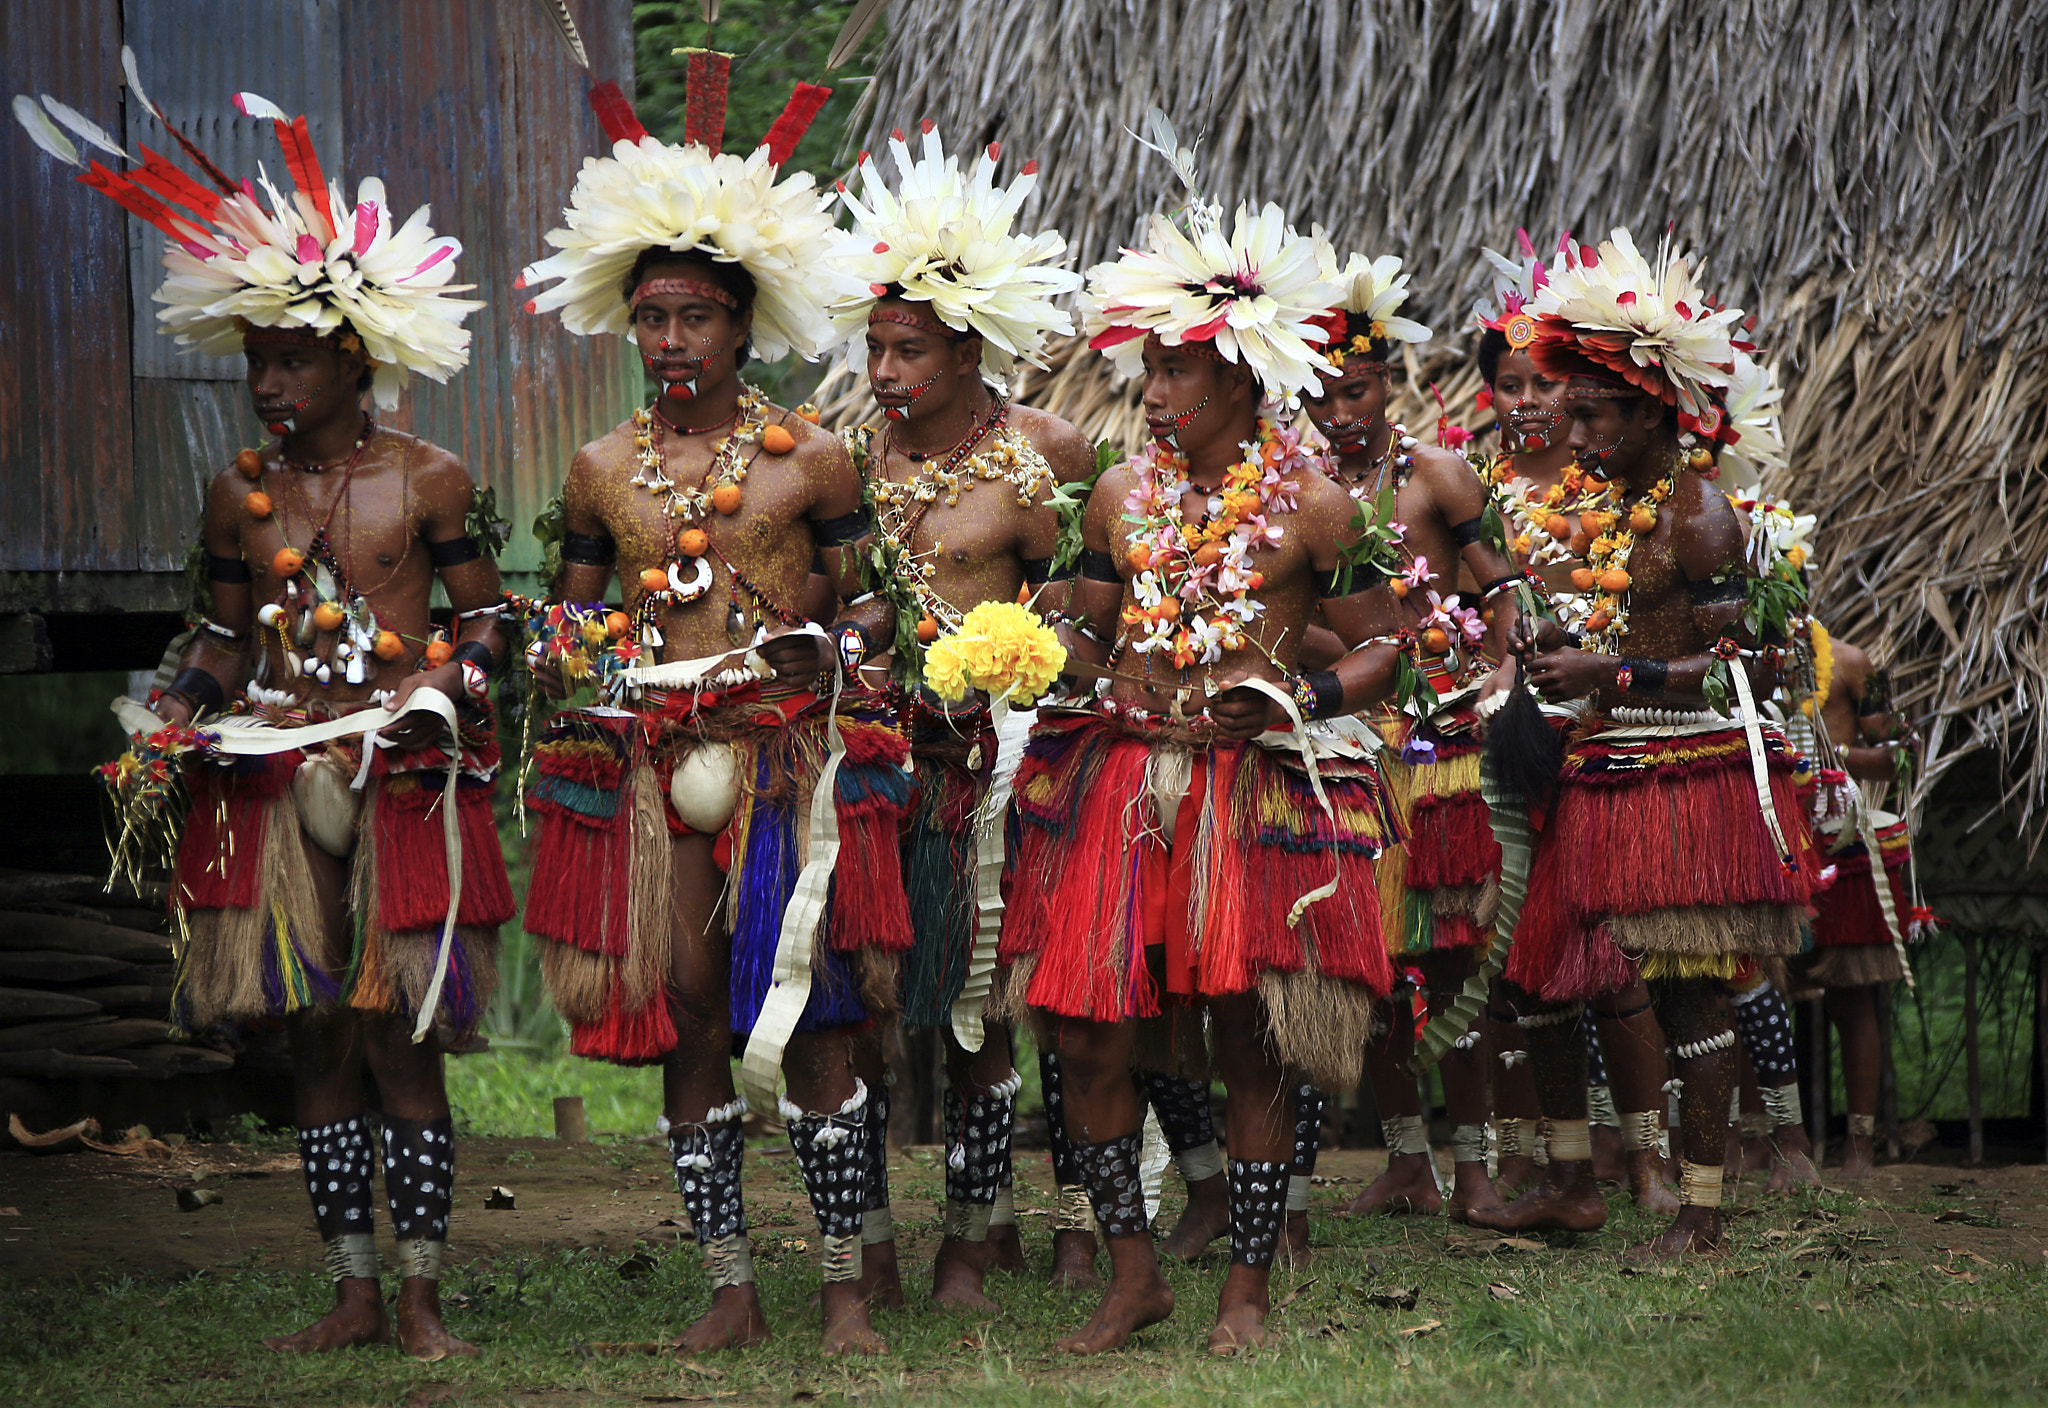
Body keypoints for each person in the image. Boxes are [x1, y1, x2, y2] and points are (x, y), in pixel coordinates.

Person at [67, 80, 506, 1358]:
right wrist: (178, 710)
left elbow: (488, 626)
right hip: (270, 766)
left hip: (398, 772)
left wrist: (440, 693)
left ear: (353, 356)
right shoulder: (233, 496)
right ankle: (354, 1290)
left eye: (291, 358)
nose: (267, 381)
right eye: (255, 360)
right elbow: (219, 635)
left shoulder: (430, 479)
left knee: (398, 1031)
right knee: (313, 1029)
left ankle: (423, 1298)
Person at [517, 73, 911, 1357]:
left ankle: (845, 1284)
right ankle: (730, 1283)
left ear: (743, 327)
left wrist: (838, 643)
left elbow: (874, 608)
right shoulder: (597, 470)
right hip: (660, 763)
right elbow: (575, 617)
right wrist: (546, 659)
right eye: (651, 318)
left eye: (694, 316)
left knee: (809, 1011)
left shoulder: (813, 458)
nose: (671, 338)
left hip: (788, 761)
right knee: (688, 1007)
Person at [1000, 179, 1406, 1353]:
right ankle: (1132, 1275)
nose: (1154, 391)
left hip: (1248, 788)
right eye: (1149, 371)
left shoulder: (1315, 510)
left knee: (1248, 1039)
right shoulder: (1118, 496)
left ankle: (1244, 1291)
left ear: (1236, 371)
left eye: (1175, 369)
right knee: (1086, 1034)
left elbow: (1387, 641)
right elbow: (1083, 624)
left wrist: (1303, 693)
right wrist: (1033, 652)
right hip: (1122, 783)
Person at [1488, 229, 1817, 1258]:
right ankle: (1629, 1183)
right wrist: (1562, 643)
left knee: (1688, 987)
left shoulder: (1699, 517)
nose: (1571, 433)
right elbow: (1620, 624)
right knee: (1595, 978)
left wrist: (1611, 676)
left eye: (1589, 413)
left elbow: (1747, 671)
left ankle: (1704, 1213)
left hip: (1687, 773)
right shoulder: (1610, 508)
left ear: (1649, 410)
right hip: (1612, 766)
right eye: (1568, 411)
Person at [824, 123, 1097, 1312]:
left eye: (908, 350)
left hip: (1002, 777)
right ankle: (875, 1248)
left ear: (968, 344)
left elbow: (1086, 625)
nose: (883, 372)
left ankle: (970, 1245)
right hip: (883, 768)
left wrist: (1017, 677)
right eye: (874, 348)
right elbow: (834, 611)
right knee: (873, 1004)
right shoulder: (845, 466)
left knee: (987, 1012)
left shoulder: (1044, 460)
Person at [1299, 247, 1521, 1225]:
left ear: (1388, 381)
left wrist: (1500, 675)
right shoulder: (1294, 490)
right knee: (1370, 958)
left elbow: (1506, 594)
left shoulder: (1437, 475)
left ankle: (1472, 1164)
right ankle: (1405, 1160)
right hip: (1348, 741)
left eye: (1353, 393)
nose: (1337, 414)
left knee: (1449, 956)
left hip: (1439, 747)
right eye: (1320, 396)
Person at [1469, 238, 1678, 1215]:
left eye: (1543, 384)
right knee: (1517, 952)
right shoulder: (1477, 496)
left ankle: (1643, 1155)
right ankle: (1542, 1157)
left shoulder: (1621, 488)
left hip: (1616, 732)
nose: (1525, 403)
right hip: (1511, 735)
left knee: (1611, 958)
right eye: (1507, 385)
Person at [1786, 625, 1917, 1178]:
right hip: (1766, 839)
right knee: (1745, 988)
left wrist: (1832, 754)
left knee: (1852, 997)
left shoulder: (1852, 661)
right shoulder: (1729, 663)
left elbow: (1899, 758)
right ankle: (1759, 1140)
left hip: (1837, 838)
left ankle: (1860, 1143)